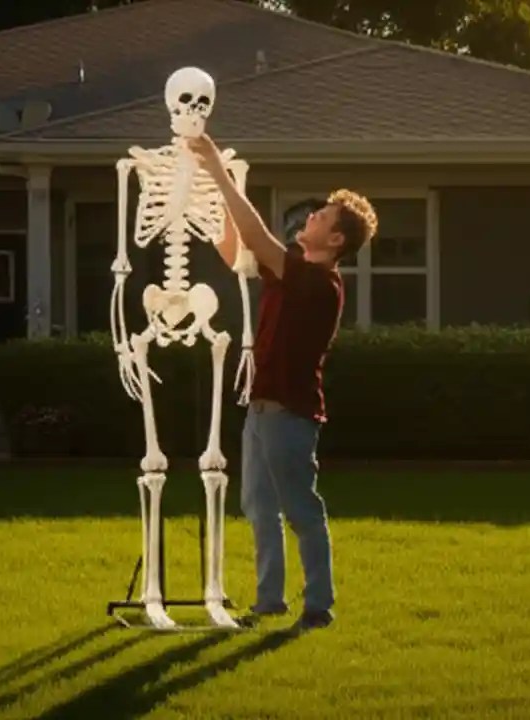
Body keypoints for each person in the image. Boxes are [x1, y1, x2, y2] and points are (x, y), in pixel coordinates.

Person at [189, 133, 378, 631]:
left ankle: (319, 606)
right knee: (258, 507)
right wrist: (212, 195)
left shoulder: (319, 282)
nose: (310, 218)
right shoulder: (290, 271)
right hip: (262, 408)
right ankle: (269, 601)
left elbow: (256, 237)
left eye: (321, 217)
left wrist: (218, 171)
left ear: (335, 241)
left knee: (301, 510)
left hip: (291, 415)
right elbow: (235, 250)